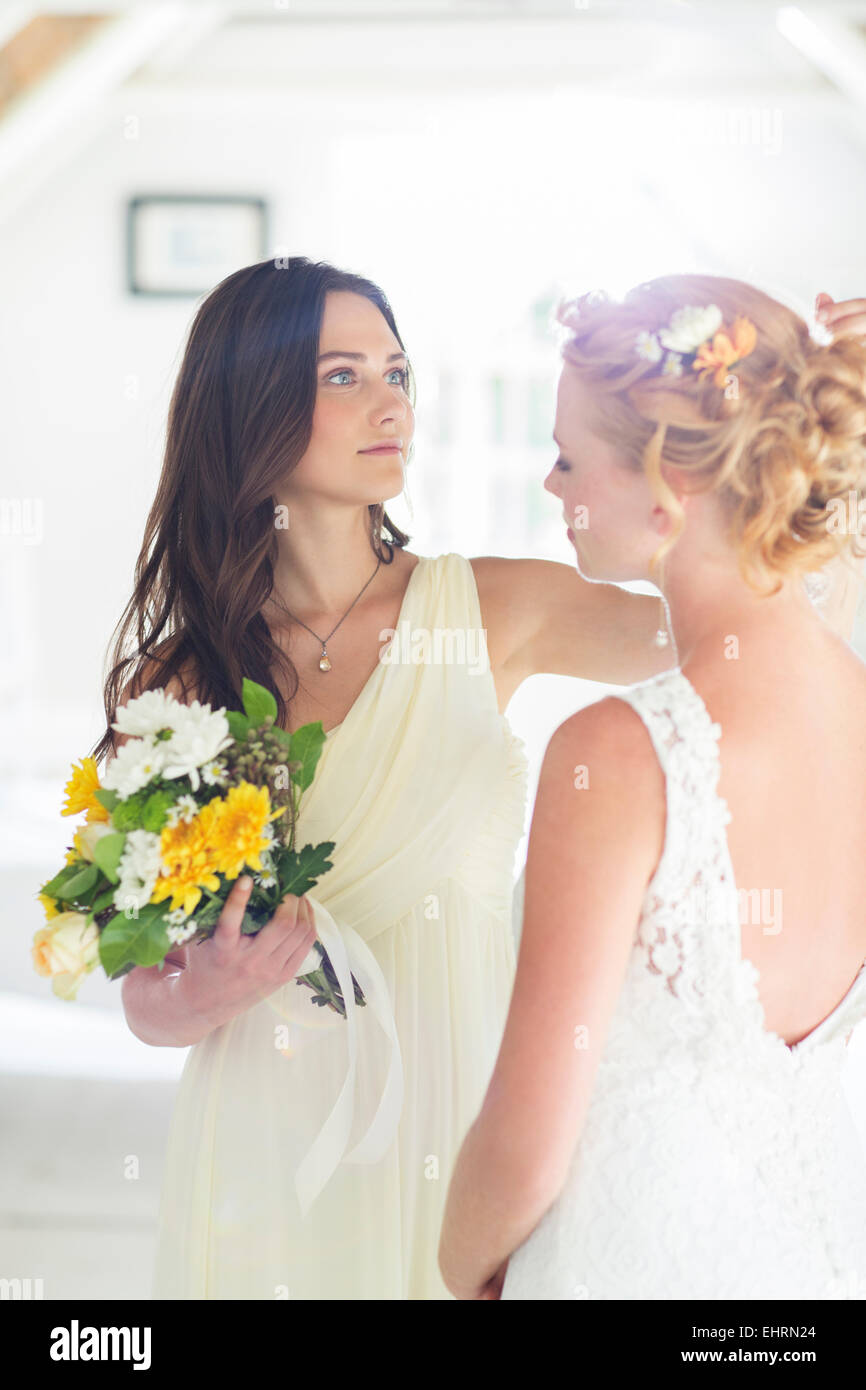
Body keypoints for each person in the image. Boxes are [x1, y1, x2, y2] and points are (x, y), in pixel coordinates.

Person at [437, 275, 866, 1301]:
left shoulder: (620, 754)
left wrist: (450, 1267)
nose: (550, 485)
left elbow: (525, 1144)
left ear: (662, 490)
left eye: (567, 457)